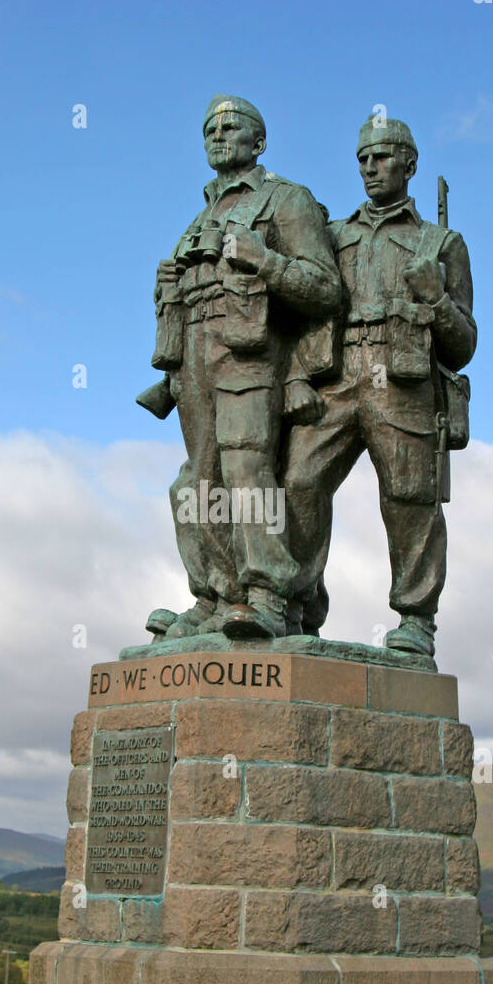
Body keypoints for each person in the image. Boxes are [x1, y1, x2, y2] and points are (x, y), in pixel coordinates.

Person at [141, 95, 340, 640]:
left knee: (248, 473)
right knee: (194, 483)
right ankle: (217, 595)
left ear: (260, 140)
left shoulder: (287, 200)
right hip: (193, 356)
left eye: (231, 126)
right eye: (209, 127)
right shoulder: (198, 218)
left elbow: (324, 289)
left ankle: (269, 594)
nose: (218, 134)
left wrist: (264, 259)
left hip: (250, 351)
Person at [283, 116, 476, 658]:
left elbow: (463, 344)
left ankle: (416, 619)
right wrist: (297, 374)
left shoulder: (442, 243)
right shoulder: (333, 236)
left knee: (409, 500)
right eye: (363, 158)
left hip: (404, 381)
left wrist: (436, 299)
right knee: (298, 481)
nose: (370, 166)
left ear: (410, 165)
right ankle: (297, 606)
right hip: (338, 376)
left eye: (384, 156)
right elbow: (305, 313)